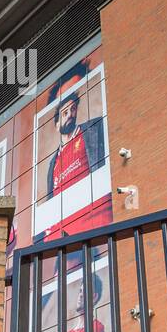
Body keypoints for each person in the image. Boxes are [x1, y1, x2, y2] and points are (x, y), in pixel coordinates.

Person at [37, 62, 111, 241]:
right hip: (64, 241)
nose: (70, 113)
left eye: (73, 109)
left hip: (97, 227)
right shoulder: (53, 163)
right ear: (56, 125)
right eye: (64, 112)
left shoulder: (95, 128)